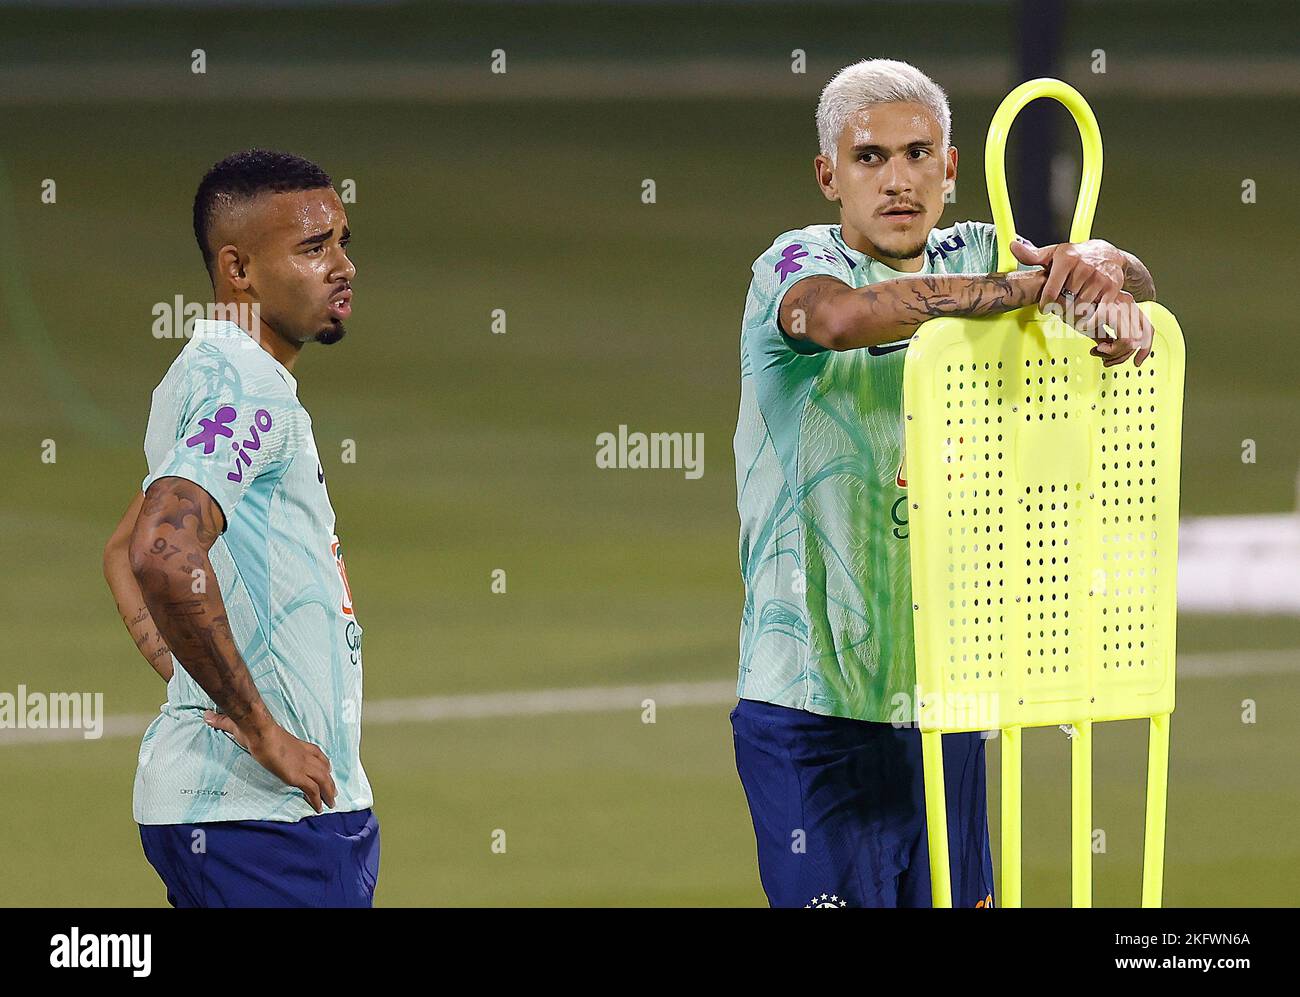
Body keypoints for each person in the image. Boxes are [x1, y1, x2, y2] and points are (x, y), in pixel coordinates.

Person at [730, 59, 1157, 908]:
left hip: (946, 700)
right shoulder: (792, 266)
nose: (898, 179)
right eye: (870, 158)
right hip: (809, 711)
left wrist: (1105, 273)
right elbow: (843, 319)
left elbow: (1129, 283)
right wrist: (1027, 290)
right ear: (829, 176)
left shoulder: (977, 251)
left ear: (952, 169)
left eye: (919, 154)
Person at [102, 149, 377, 907]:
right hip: (263, 821)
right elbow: (161, 550)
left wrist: (196, 679)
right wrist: (260, 726)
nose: (343, 265)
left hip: (237, 816)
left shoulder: (206, 373)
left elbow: (124, 550)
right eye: (314, 248)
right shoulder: (248, 390)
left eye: (343, 240)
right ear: (240, 269)